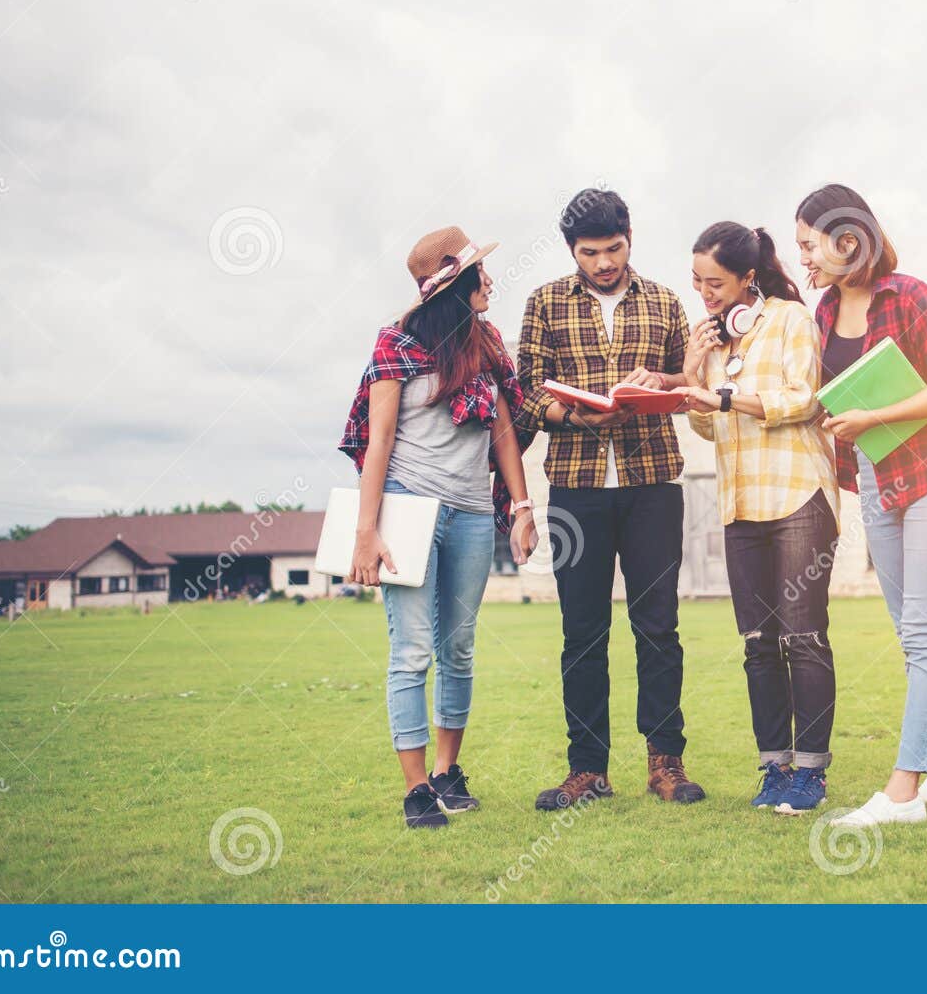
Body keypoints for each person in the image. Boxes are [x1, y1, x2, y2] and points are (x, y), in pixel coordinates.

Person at [340, 226, 539, 830]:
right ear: (455, 284)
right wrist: (365, 531)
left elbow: (502, 428)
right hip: (409, 508)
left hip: (473, 513)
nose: (491, 281)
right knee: (412, 651)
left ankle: (449, 775)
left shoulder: (487, 342)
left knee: (459, 649)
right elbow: (378, 446)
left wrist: (523, 509)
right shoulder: (396, 344)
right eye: (481, 273)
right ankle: (416, 788)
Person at [514, 187, 707, 810]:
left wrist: (665, 381)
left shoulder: (665, 301)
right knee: (582, 633)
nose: (603, 263)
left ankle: (665, 763)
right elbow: (524, 394)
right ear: (572, 249)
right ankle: (587, 769)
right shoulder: (543, 303)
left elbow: (693, 382)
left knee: (659, 628)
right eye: (589, 252)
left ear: (630, 237)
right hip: (576, 487)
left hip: (653, 482)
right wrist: (570, 416)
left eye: (613, 249)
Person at [793, 184, 927, 828]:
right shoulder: (819, 314)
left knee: (925, 632)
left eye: (810, 246)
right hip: (876, 481)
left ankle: (903, 793)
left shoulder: (910, 295)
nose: (805, 262)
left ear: (848, 241)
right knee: (912, 635)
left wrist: (878, 413)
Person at [675, 222, 840, 815]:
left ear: (748, 276)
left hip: (798, 497)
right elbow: (706, 425)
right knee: (758, 644)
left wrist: (721, 395)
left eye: (714, 281)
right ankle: (775, 767)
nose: (704, 292)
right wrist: (695, 372)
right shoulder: (716, 341)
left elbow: (804, 398)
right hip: (741, 504)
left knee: (803, 637)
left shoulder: (793, 319)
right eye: (696, 281)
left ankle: (812, 774)